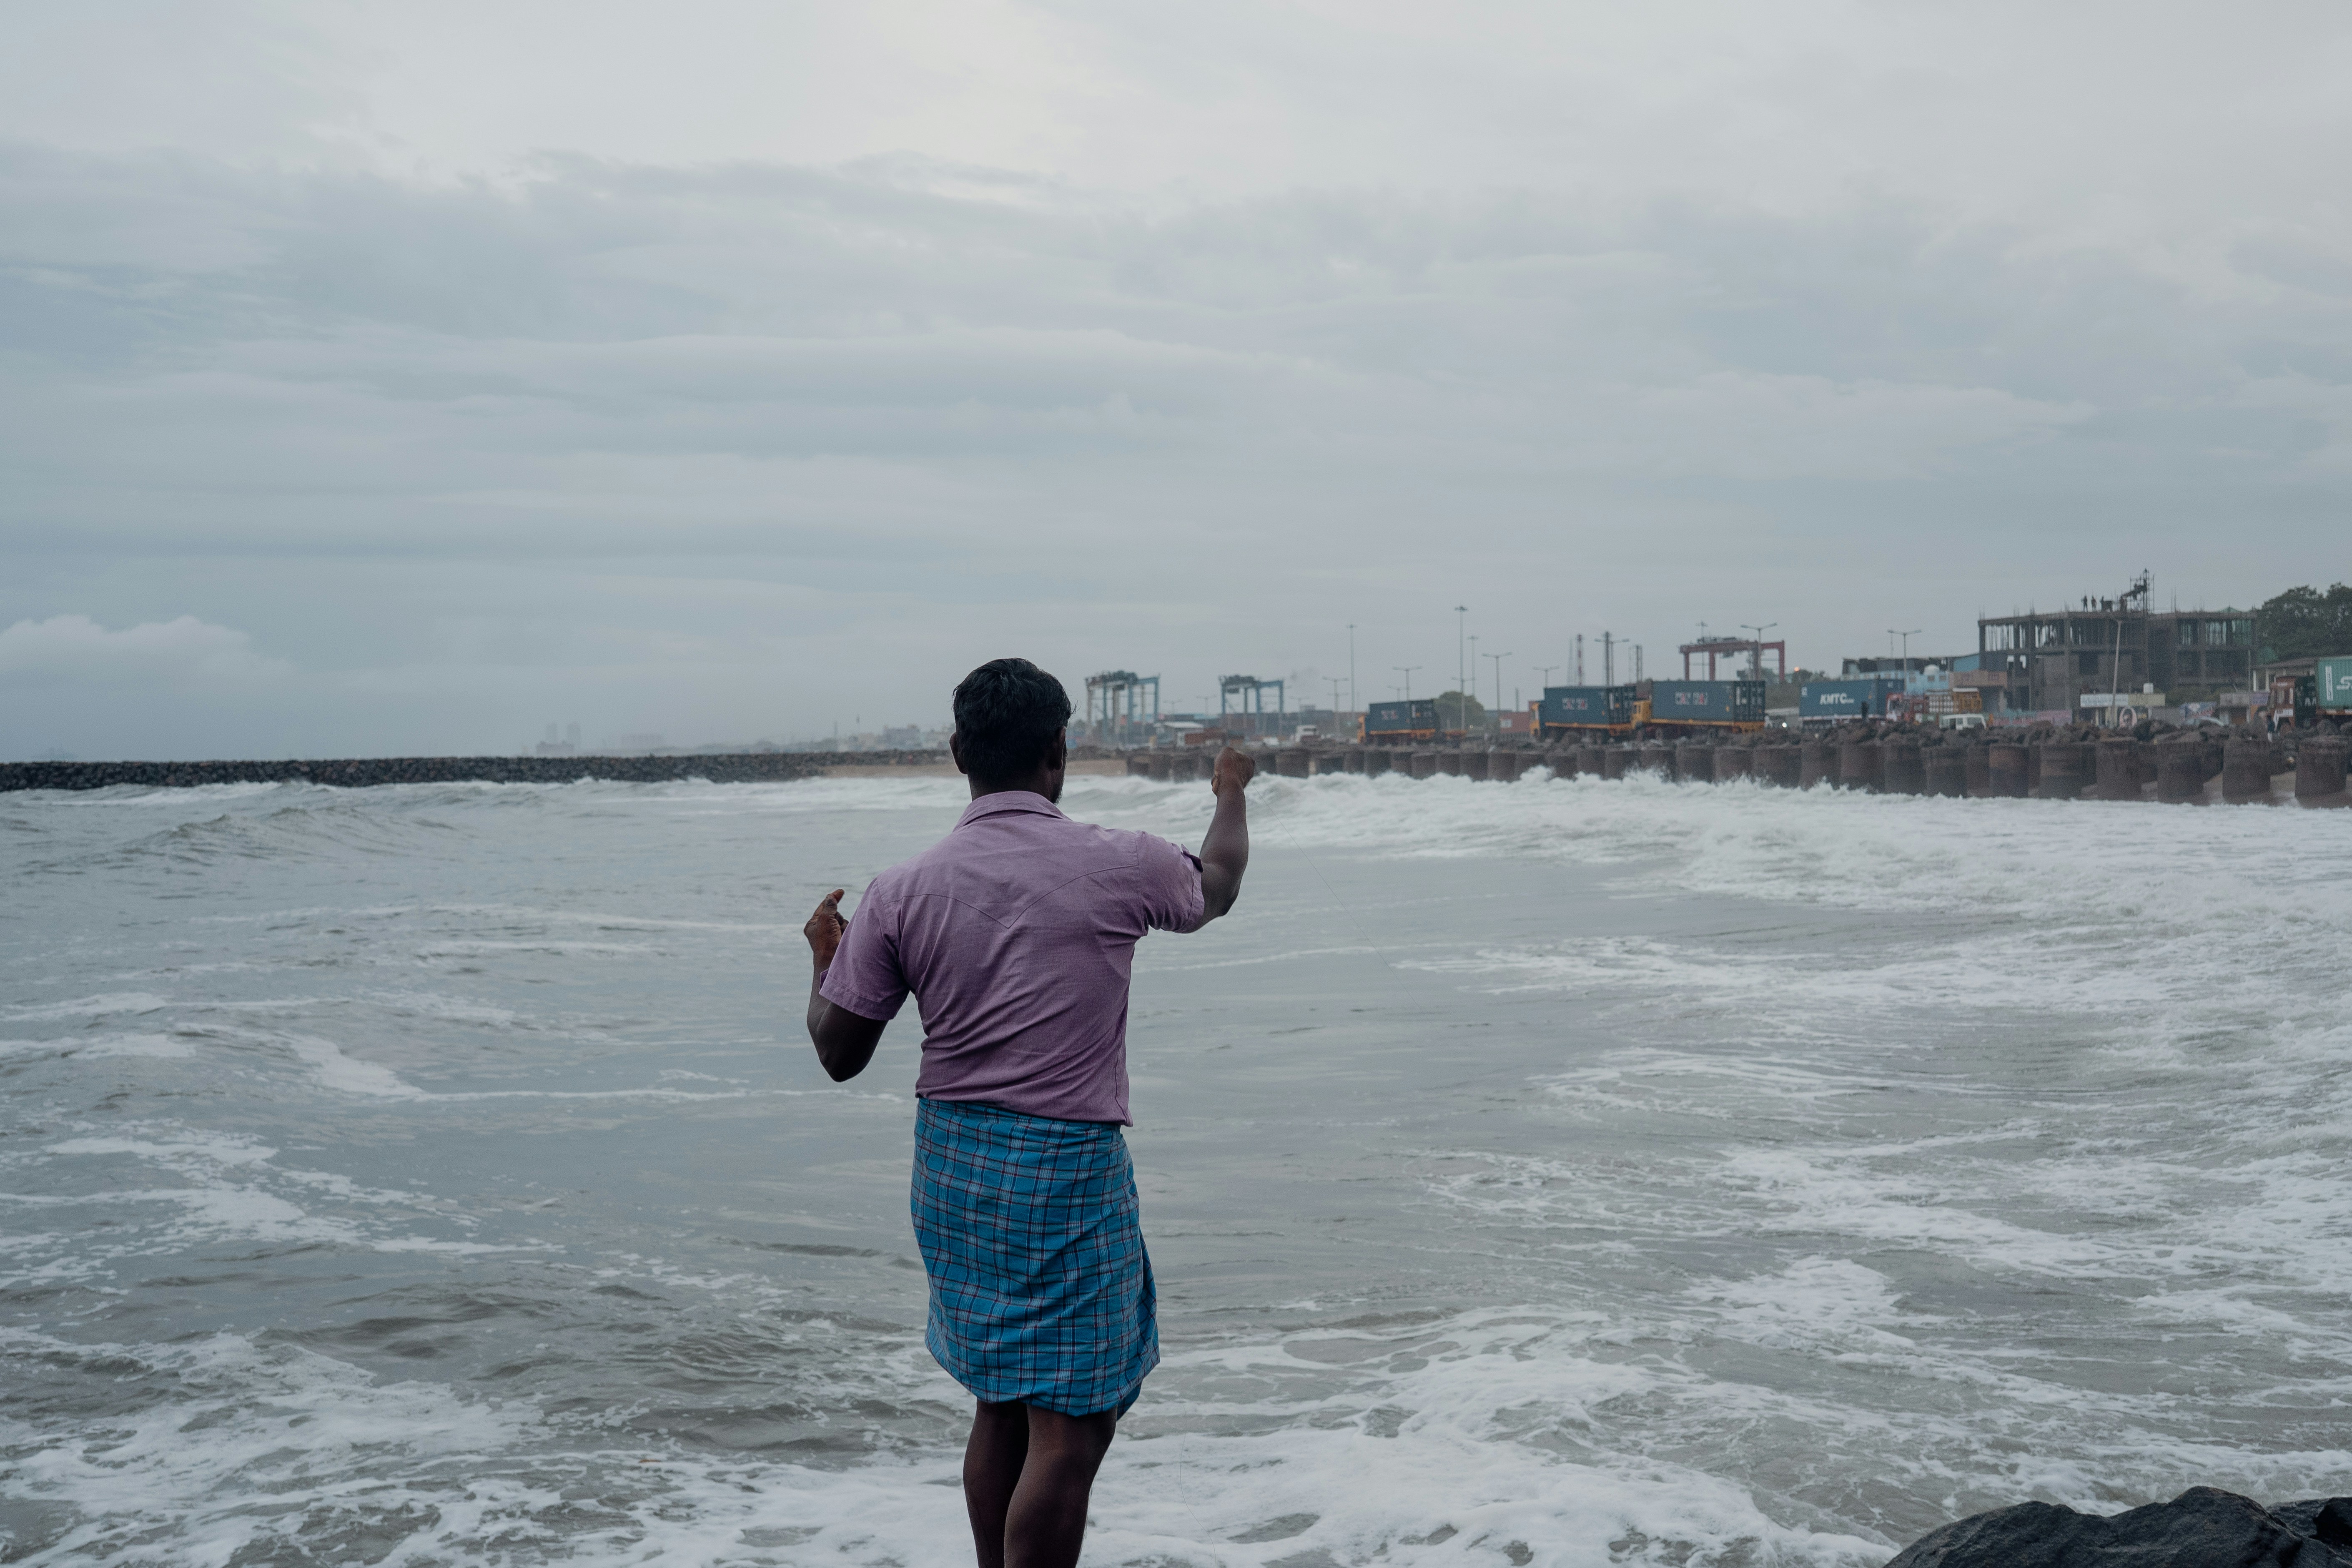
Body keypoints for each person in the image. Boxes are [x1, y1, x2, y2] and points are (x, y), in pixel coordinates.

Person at [800, 657, 1254, 1568]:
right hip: (1064, 1166)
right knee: (1071, 1429)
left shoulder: (899, 890)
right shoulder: (1118, 862)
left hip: (953, 1168)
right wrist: (1232, 793)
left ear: (958, 752)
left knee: (1000, 1400)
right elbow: (1215, 887)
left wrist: (823, 959)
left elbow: (839, 1054)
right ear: (1060, 751)